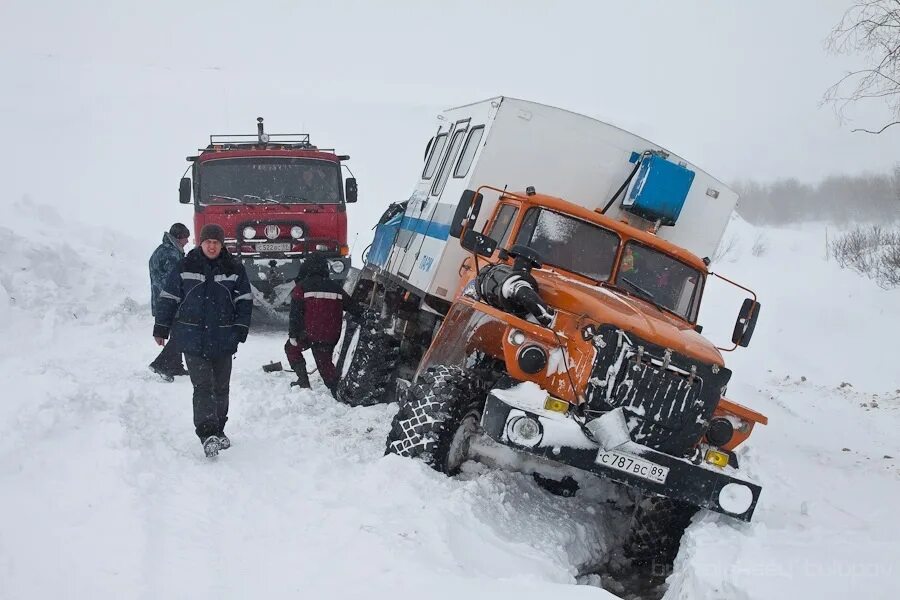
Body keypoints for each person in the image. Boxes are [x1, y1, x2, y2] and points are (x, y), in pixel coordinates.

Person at [153, 224, 252, 457]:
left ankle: (219, 429)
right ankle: (207, 434)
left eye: (216, 242)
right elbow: (169, 297)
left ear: (221, 245)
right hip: (192, 337)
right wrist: (161, 327)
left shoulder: (234, 268)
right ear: (201, 243)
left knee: (221, 387)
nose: (211, 246)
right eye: (207, 242)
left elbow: (245, 300)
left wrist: (240, 327)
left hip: (223, 338)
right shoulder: (185, 265)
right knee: (203, 386)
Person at [285, 254, 357, 397]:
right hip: (330, 335)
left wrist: (293, 334)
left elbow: (295, 315)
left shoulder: (302, 288)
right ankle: (336, 390)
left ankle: (305, 381)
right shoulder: (336, 288)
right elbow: (353, 308)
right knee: (325, 364)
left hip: (309, 333)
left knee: (291, 349)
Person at [148, 223, 191, 381]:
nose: (187, 241)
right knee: (182, 333)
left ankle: (175, 366)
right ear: (179, 238)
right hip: (170, 301)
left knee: (177, 331)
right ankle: (161, 364)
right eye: (186, 237)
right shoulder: (170, 253)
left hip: (164, 299)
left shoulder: (164, 250)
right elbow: (174, 280)